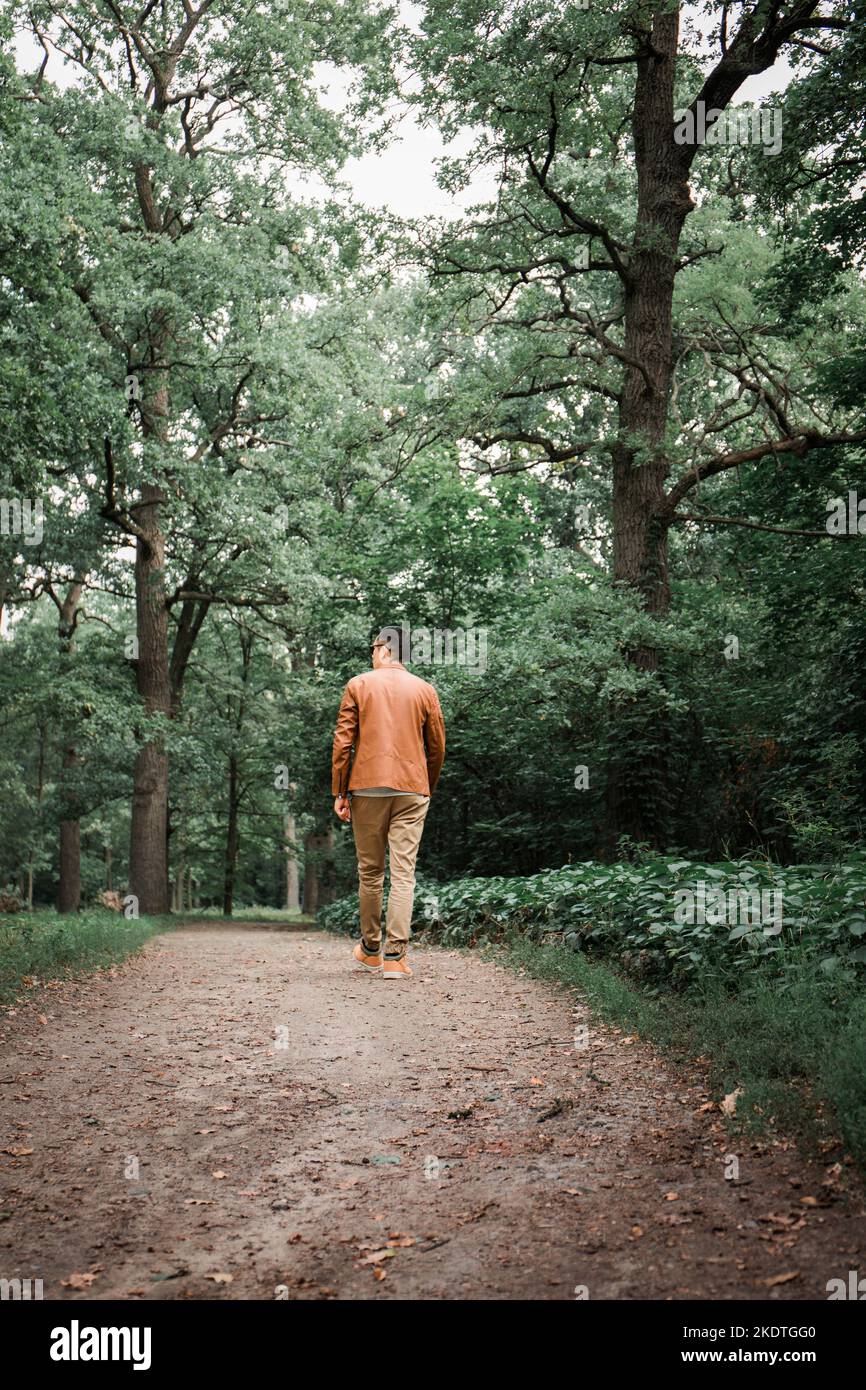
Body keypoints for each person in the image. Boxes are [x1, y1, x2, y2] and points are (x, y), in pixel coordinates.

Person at [331, 626, 446, 978]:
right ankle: (396, 957)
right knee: (403, 874)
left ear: (383, 650)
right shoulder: (425, 690)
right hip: (412, 789)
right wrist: (426, 784)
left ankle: (370, 950)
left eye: (372, 648)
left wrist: (340, 791)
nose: (371, 653)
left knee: (370, 872)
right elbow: (438, 746)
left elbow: (343, 743)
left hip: (366, 787)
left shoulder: (358, 684)